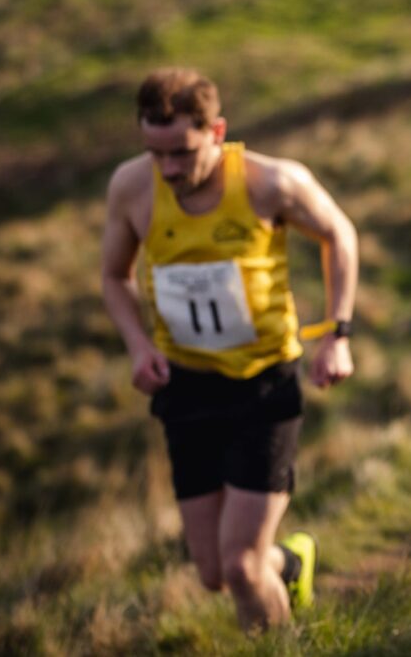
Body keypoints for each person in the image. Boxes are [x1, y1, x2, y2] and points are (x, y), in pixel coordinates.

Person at [99, 68, 359, 633]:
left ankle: (283, 644)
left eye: (182, 153)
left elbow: (340, 233)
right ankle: (291, 562)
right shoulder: (132, 187)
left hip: (263, 383)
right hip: (186, 386)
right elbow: (113, 277)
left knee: (241, 567)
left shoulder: (272, 183)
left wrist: (338, 334)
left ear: (216, 132)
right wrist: (138, 345)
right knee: (214, 572)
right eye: (155, 153)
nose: (168, 170)